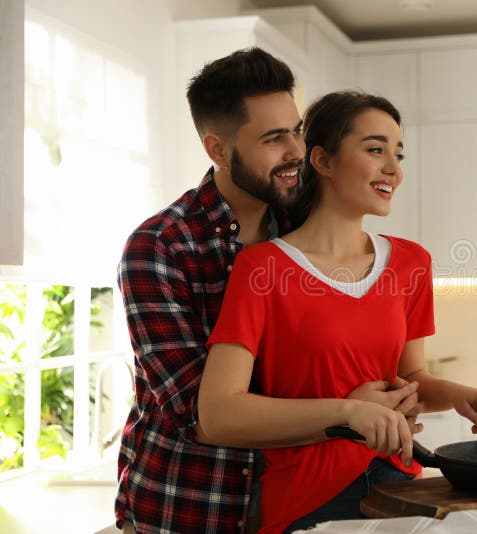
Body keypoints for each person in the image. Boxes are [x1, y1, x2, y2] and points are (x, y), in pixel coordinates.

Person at [115, 49, 421, 533]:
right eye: (274, 139)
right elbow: (199, 413)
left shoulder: (303, 223)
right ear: (218, 150)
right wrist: (346, 408)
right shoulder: (159, 249)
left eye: (297, 130)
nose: (296, 151)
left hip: (298, 499)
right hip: (194, 504)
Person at [197, 91, 477, 534]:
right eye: (375, 150)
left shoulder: (411, 264)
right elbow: (220, 414)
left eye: (398, 154)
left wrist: (459, 396)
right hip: (305, 502)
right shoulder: (261, 268)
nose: (394, 170)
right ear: (322, 161)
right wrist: (346, 414)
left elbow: (411, 380)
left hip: (398, 488)